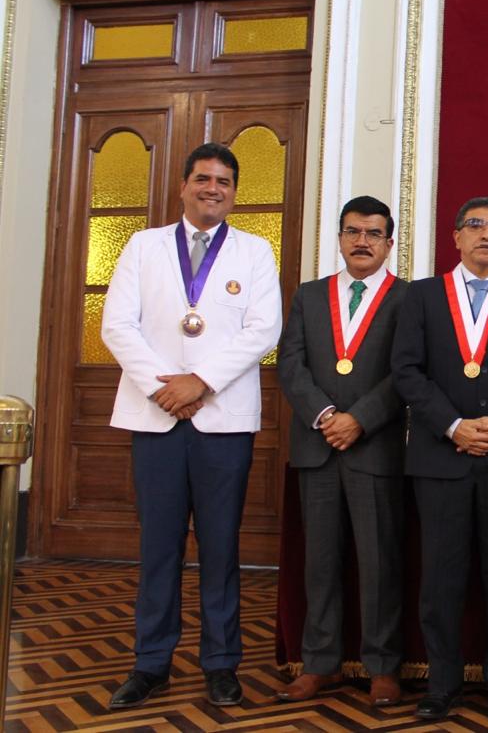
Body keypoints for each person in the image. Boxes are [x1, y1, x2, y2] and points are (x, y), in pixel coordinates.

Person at [100, 142, 282, 709]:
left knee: (221, 546)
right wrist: (166, 385)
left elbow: (263, 330)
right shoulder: (141, 245)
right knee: (159, 546)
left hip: (222, 420)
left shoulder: (254, 252)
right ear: (182, 185)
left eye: (224, 181)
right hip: (155, 416)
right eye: (202, 178)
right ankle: (151, 662)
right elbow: (116, 325)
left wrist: (199, 381)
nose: (212, 189)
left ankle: (221, 663)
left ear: (233, 192)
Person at [391, 196, 488, 723]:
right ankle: (442, 684)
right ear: (455, 236)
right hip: (441, 459)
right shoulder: (422, 296)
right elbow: (407, 371)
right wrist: (454, 426)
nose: (486, 234)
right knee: (440, 580)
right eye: (476, 225)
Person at [276, 195, 409, 707]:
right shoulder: (310, 296)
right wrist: (328, 417)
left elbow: (407, 370)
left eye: (373, 234)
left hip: (375, 449)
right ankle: (320, 664)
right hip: (317, 445)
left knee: (380, 563)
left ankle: (382, 667)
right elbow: (291, 363)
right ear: (339, 238)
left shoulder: (407, 299)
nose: (362, 241)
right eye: (353, 232)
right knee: (320, 563)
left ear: (389, 243)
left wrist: (360, 419)